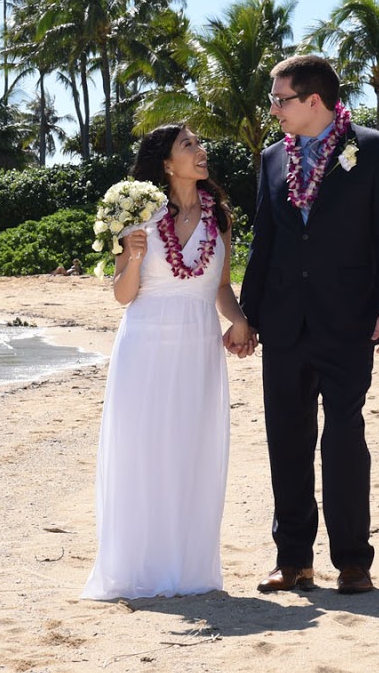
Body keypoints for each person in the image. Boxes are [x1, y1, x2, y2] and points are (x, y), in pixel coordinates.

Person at [239, 54, 379, 596]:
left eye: (280, 99)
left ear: (314, 100)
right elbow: (264, 242)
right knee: (285, 441)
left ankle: (353, 562)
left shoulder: (375, 149)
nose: (273, 109)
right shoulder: (271, 158)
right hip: (284, 321)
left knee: (343, 438)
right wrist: (247, 316)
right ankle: (292, 561)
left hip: (348, 319)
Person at [82, 125, 253, 600]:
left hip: (197, 345)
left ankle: (187, 569)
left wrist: (239, 321)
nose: (202, 151)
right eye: (189, 145)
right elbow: (122, 295)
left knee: (190, 450)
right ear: (165, 162)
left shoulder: (219, 217)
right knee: (142, 451)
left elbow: (219, 286)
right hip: (144, 346)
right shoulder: (139, 212)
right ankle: (138, 568)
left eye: (201, 143)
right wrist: (132, 257)